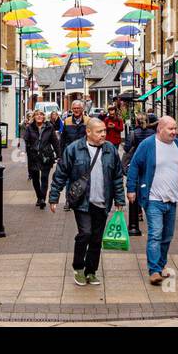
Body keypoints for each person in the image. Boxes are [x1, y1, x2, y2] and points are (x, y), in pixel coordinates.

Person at [126, 116, 178, 285]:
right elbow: (134, 165)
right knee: (155, 233)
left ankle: (161, 264)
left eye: (175, 128)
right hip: (153, 198)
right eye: (170, 129)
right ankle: (154, 270)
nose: (174, 132)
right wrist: (131, 188)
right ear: (160, 129)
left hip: (172, 199)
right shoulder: (148, 145)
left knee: (167, 236)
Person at [49, 116, 126, 286]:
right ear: (88, 132)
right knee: (85, 233)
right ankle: (78, 267)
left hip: (102, 201)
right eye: (99, 131)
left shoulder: (110, 150)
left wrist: (120, 199)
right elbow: (61, 173)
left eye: (104, 131)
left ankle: (91, 271)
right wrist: (54, 196)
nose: (103, 134)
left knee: (96, 239)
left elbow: (117, 177)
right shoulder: (74, 149)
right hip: (82, 202)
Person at [22, 109, 60, 207]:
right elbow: (25, 140)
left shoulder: (49, 127)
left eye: (41, 115)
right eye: (37, 115)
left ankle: (42, 198)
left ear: (44, 117)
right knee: (35, 178)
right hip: (33, 157)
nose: (39, 116)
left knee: (44, 177)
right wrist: (24, 150)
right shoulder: (29, 127)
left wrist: (59, 155)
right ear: (34, 117)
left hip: (46, 156)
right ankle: (39, 197)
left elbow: (55, 142)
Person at [123, 113, 152, 236]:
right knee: (146, 186)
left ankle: (137, 214)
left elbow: (126, 148)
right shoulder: (152, 133)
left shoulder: (133, 133)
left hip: (136, 163)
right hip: (149, 163)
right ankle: (146, 210)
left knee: (135, 187)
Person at [60, 100, 89, 210]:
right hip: (70, 154)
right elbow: (63, 139)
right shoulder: (67, 121)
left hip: (84, 153)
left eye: (78, 108)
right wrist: (61, 154)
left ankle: (82, 200)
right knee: (69, 179)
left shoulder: (88, 121)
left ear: (82, 109)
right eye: (74, 108)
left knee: (84, 177)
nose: (76, 110)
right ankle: (69, 200)